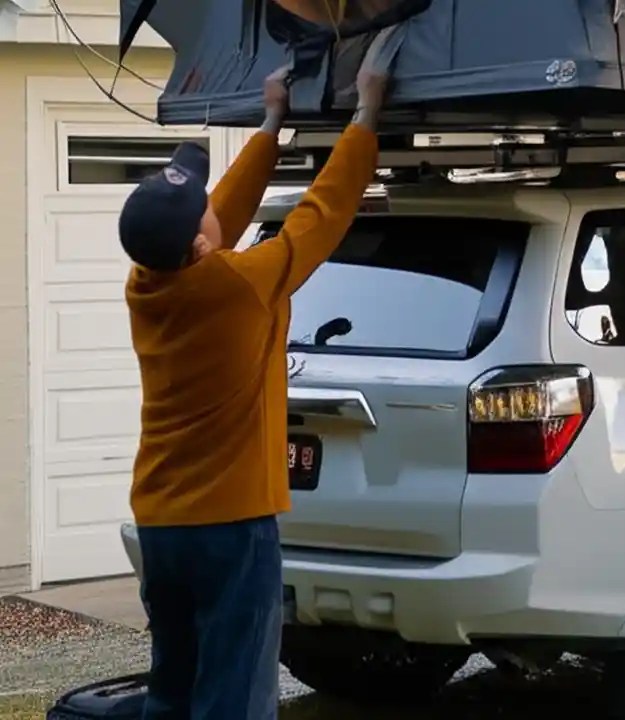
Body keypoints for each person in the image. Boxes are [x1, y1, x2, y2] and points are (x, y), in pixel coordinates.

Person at [117, 31, 393, 720]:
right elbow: (318, 221)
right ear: (202, 245)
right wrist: (365, 117)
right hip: (231, 528)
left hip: (163, 525)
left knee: (173, 688)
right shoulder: (240, 286)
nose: (211, 201)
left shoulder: (147, 283)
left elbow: (221, 220)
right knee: (235, 697)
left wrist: (273, 124)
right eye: (201, 208)